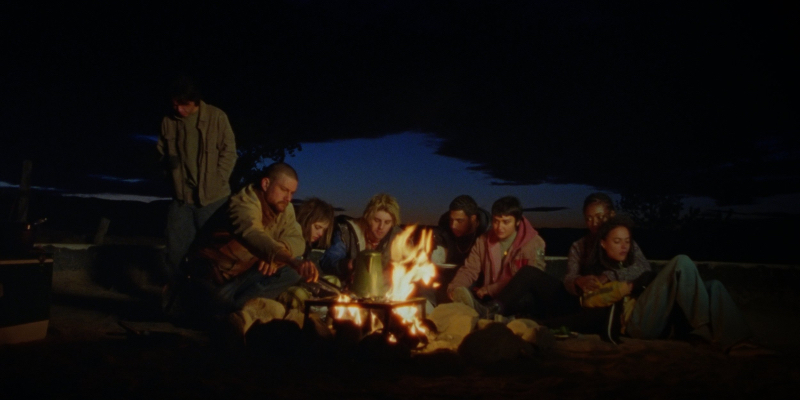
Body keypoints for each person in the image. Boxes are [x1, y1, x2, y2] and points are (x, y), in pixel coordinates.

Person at [550, 215, 754, 352]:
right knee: (681, 261)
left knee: (714, 285)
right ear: (603, 243)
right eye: (617, 241)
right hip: (635, 322)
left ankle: (739, 341)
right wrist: (624, 287)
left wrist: (634, 279)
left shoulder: (632, 263)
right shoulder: (596, 270)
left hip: (655, 312)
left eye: (627, 241)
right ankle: (702, 326)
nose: (624, 246)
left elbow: (646, 271)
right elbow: (589, 301)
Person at [183, 162, 318, 318]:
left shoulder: (284, 208)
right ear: (266, 183)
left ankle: (241, 310)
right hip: (215, 277)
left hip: (244, 275)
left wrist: (276, 255)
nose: (288, 198)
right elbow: (252, 234)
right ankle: (231, 312)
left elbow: (297, 239)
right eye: (284, 190)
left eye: (292, 193)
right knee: (208, 308)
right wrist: (282, 257)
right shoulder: (244, 202)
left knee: (292, 272)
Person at [157, 76, 237, 285]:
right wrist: (168, 172)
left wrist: (217, 181)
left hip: (213, 199)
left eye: (183, 105)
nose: (179, 109)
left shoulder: (216, 117)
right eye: (174, 104)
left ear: (194, 101)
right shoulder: (168, 121)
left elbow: (229, 153)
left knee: (214, 251)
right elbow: (161, 152)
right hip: (182, 198)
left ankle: (213, 298)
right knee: (175, 250)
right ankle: (177, 296)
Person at [447, 196, 546, 310]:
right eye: (496, 221)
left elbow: (531, 279)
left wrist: (491, 289)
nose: (499, 227)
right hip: (490, 299)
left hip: (520, 300)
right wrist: (455, 288)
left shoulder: (533, 243)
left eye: (506, 222)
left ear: (518, 221)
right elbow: (469, 269)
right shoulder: (483, 241)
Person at [564, 193, 651, 297]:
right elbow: (569, 278)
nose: (594, 223)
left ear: (611, 215)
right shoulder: (579, 246)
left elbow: (644, 268)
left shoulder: (624, 240)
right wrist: (578, 281)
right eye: (589, 219)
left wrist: (608, 276)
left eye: (600, 217)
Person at [318, 193, 402, 283]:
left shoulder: (399, 237)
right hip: (348, 290)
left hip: (385, 291)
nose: (381, 227)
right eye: (377, 220)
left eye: (387, 222)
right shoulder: (347, 232)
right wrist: (349, 264)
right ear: (368, 217)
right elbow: (328, 261)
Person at [435, 195, 491, 266]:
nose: (453, 226)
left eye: (460, 221)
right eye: (451, 220)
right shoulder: (444, 228)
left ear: (473, 218)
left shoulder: (490, 234)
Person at [295, 197, 335, 268]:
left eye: (324, 230)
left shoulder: (307, 245)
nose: (321, 234)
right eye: (317, 227)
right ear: (305, 220)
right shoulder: (290, 239)